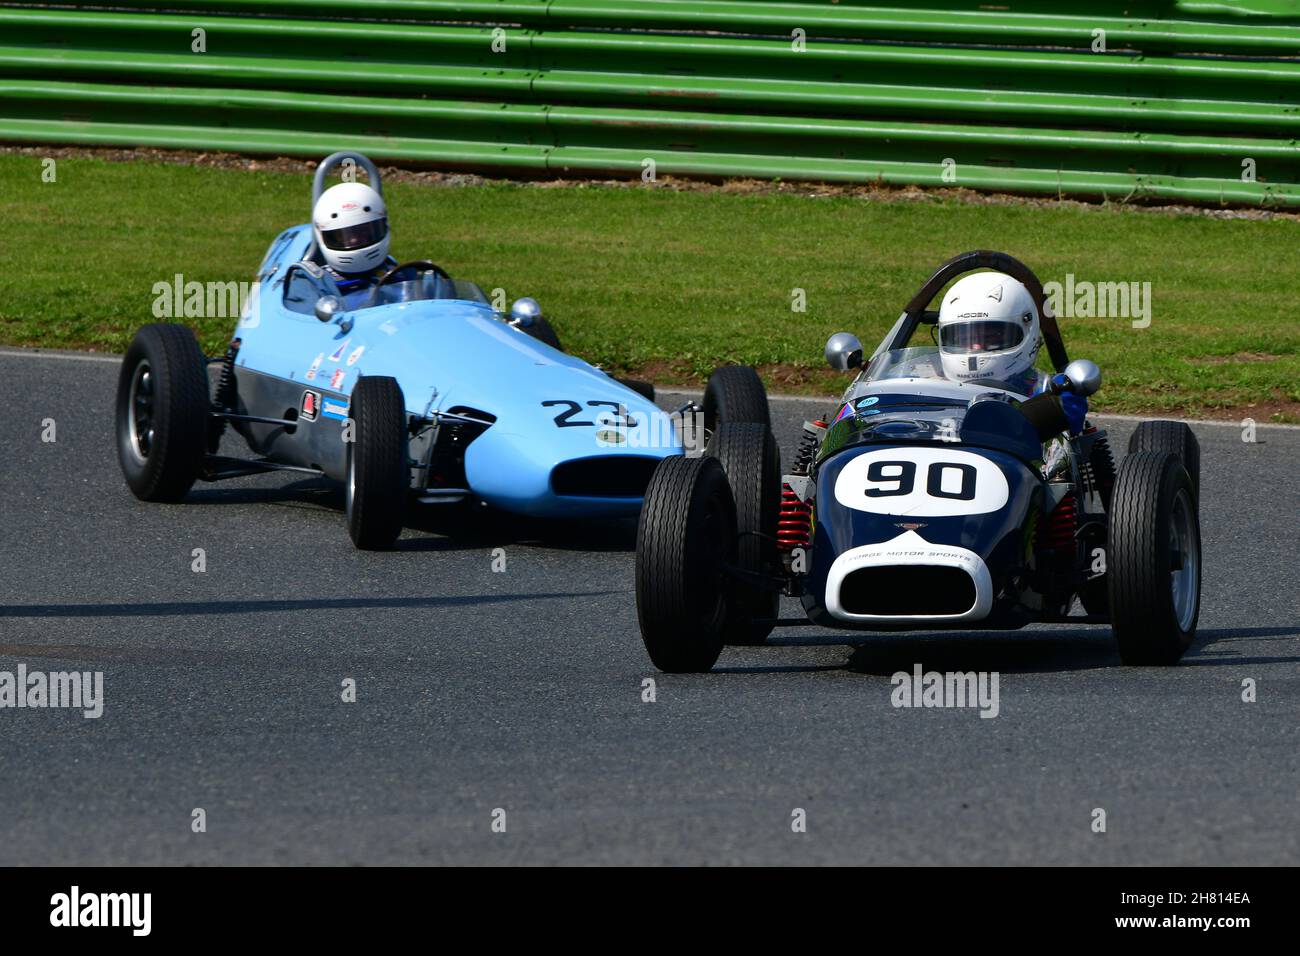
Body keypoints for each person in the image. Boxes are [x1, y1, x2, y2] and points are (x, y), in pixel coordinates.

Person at [936, 271, 1087, 434]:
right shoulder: (928, 387)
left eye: (991, 338)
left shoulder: (1045, 393)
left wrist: (1060, 406)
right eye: (963, 339)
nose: (976, 347)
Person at [311, 181, 392, 307]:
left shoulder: (397, 272)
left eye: (364, 232)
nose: (354, 241)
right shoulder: (318, 287)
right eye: (344, 237)